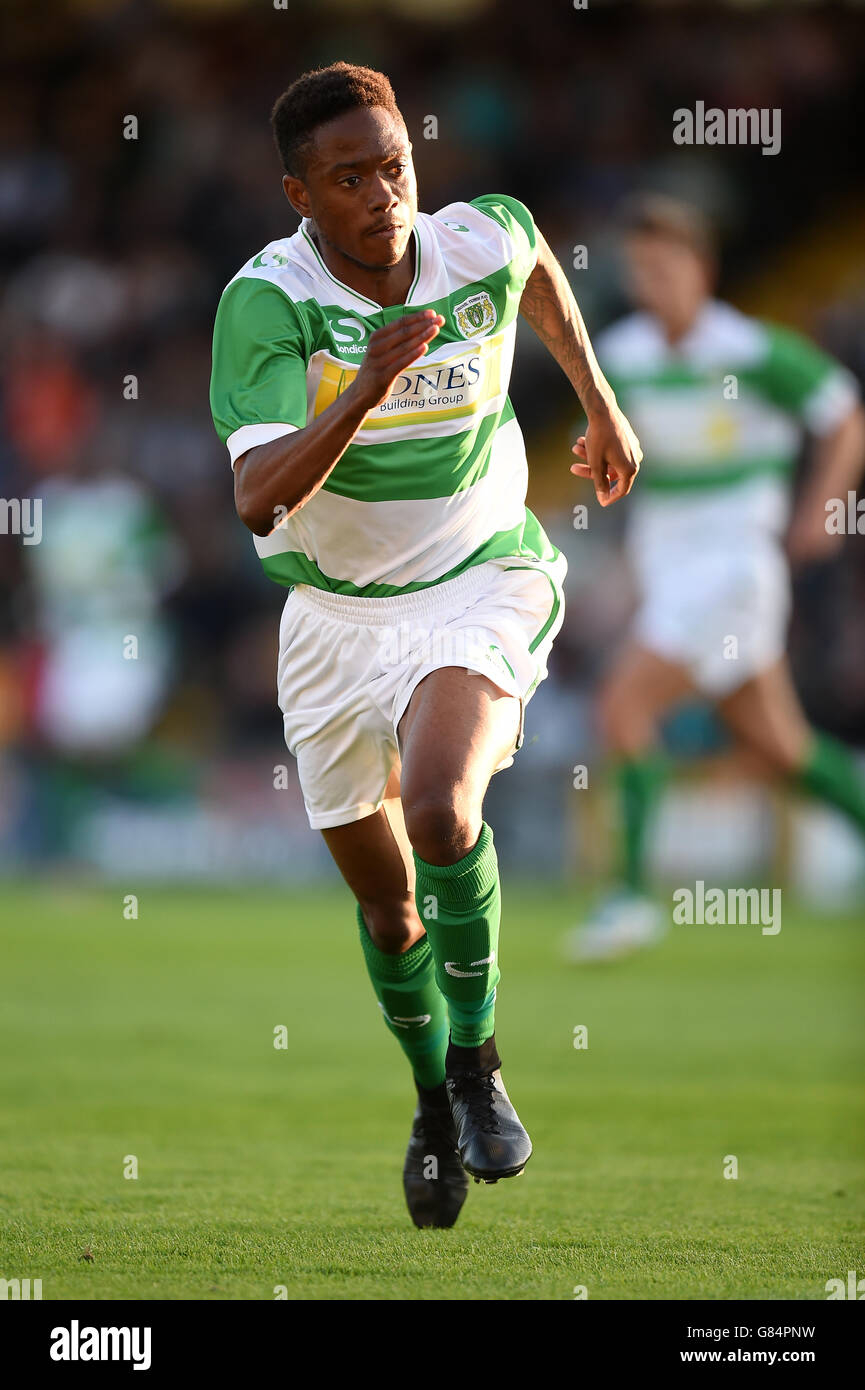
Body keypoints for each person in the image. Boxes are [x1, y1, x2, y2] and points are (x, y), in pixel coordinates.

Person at [209, 63, 641, 1226]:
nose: (381, 195)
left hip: (477, 576)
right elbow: (257, 496)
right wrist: (360, 387)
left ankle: (482, 1064)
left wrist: (596, 398)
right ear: (299, 192)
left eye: (393, 164)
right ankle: (432, 1097)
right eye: (347, 179)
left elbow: (536, 262)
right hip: (334, 621)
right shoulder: (269, 303)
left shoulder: (474, 239)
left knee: (448, 809)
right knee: (390, 909)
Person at [569, 194, 865, 963]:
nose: (651, 281)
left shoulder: (749, 351)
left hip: (733, 564)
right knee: (780, 748)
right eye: (640, 268)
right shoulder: (624, 356)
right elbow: (609, 450)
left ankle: (629, 899)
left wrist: (819, 510)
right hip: (672, 571)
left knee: (621, 706)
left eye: (665, 266)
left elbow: (843, 416)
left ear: (701, 270)